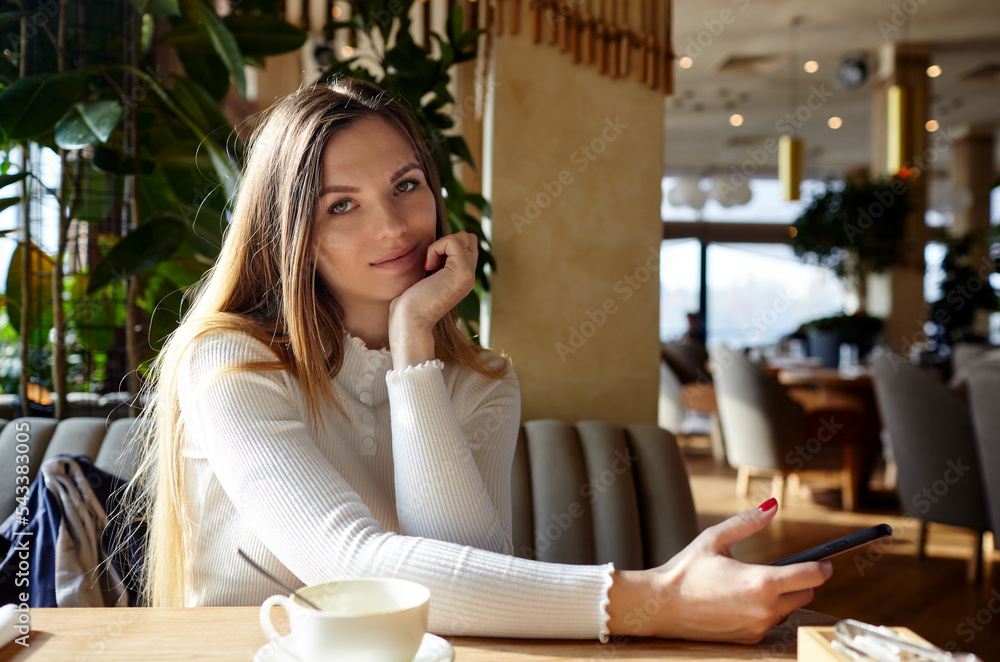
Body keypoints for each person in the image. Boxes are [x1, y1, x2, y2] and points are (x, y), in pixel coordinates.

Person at [122, 78, 831, 645]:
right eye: (343, 206)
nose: (394, 227)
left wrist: (413, 347)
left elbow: (464, 562)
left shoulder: (483, 380)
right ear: (295, 235)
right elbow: (350, 565)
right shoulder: (233, 362)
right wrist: (651, 601)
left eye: (406, 186)